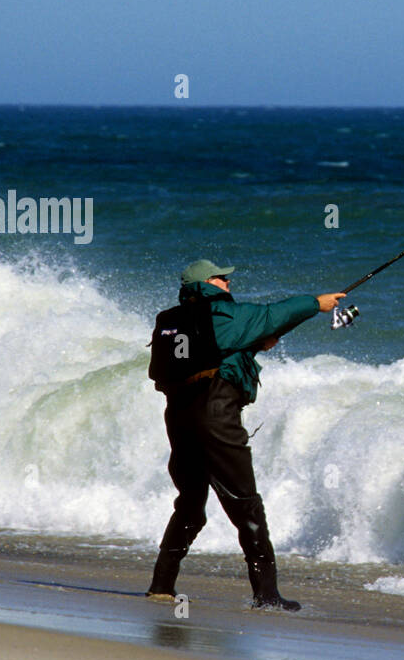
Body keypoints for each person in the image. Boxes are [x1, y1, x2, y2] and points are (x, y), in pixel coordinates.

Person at [146, 258, 346, 610]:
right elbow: (272, 315)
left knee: (191, 504)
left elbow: (208, 355)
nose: (227, 283)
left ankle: (161, 584)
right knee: (245, 505)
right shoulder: (223, 314)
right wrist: (317, 303)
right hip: (216, 417)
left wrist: (253, 346)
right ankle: (267, 595)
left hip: (179, 418)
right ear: (208, 282)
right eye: (222, 278)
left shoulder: (173, 320)